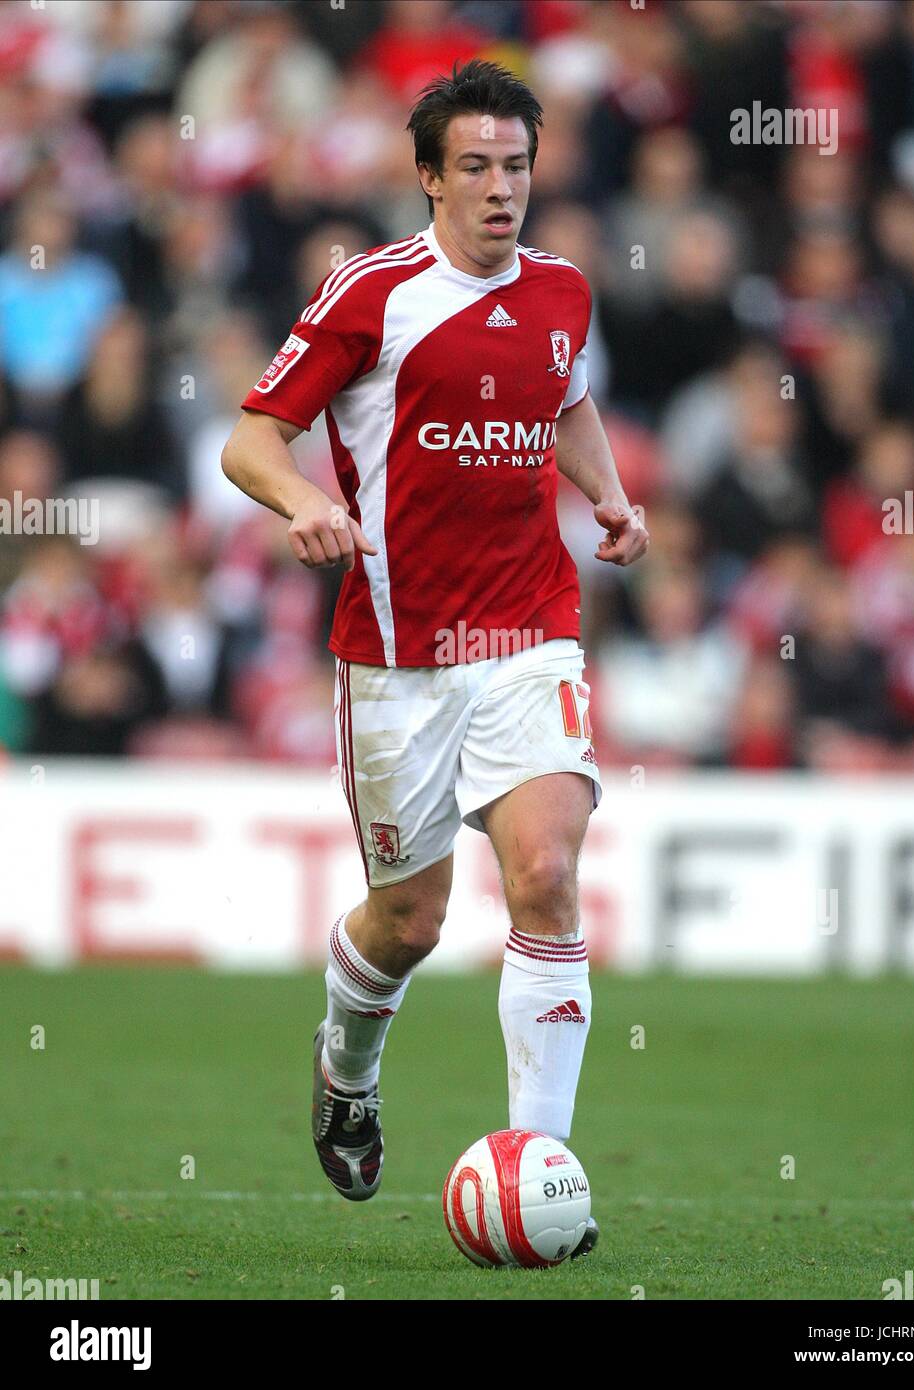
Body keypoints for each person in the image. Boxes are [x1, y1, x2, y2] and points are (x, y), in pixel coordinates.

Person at [221, 60, 648, 1258]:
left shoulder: (564, 291)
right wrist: (300, 502)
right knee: (407, 921)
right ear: (427, 176)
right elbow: (251, 438)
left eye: (517, 166)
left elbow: (564, 402)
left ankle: (536, 1169)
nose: (502, 190)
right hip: (399, 658)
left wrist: (609, 498)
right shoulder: (370, 292)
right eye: (476, 167)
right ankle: (345, 1064)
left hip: (528, 631)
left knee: (549, 875)